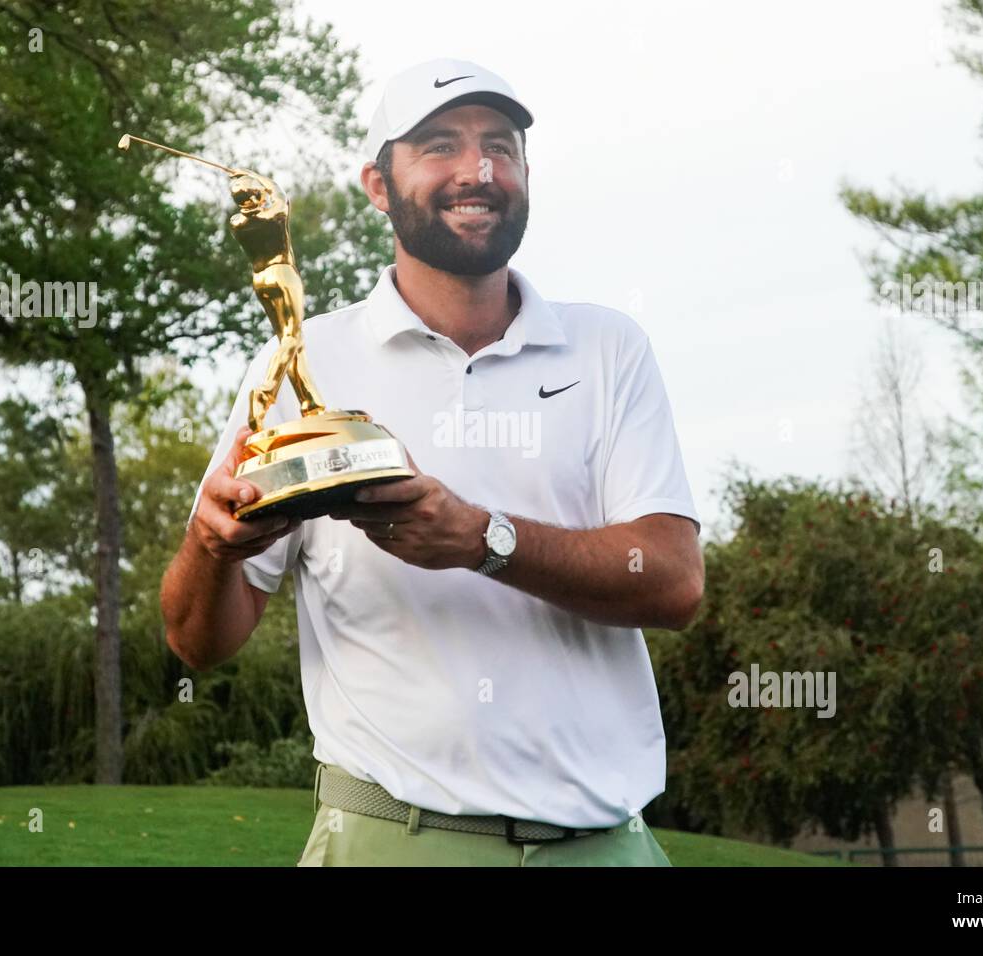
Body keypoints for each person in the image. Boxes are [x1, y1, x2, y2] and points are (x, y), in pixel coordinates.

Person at [160, 57, 705, 866]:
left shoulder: (609, 349)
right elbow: (197, 641)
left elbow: (674, 582)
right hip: (393, 840)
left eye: (501, 146)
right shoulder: (305, 361)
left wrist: (480, 539)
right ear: (378, 185)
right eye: (439, 146)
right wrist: (212, 547)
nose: (477, 170)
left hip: (606, 845)